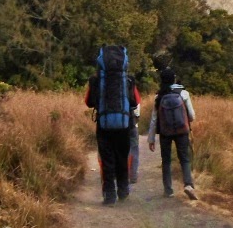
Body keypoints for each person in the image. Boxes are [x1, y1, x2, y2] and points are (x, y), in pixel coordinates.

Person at [85, 45, 141, 205]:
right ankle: (123, 191)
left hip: (103, 125)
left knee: (107, 159)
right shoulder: (129, 80)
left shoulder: (95, 80)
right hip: (124, 123)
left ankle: (109, 196)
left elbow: (88, 102)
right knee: (122, 157)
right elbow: (135, 102)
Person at [147, 68, 198, 200]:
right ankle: (188, 185)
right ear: (174, 79)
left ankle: (168, 190)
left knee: (166, 161)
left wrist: (151, 139)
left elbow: (154, 119)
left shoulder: (159, 96)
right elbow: (192, 116)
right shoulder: (183, 93)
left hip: (165, 132)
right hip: (182, 131)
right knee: (185, 159)